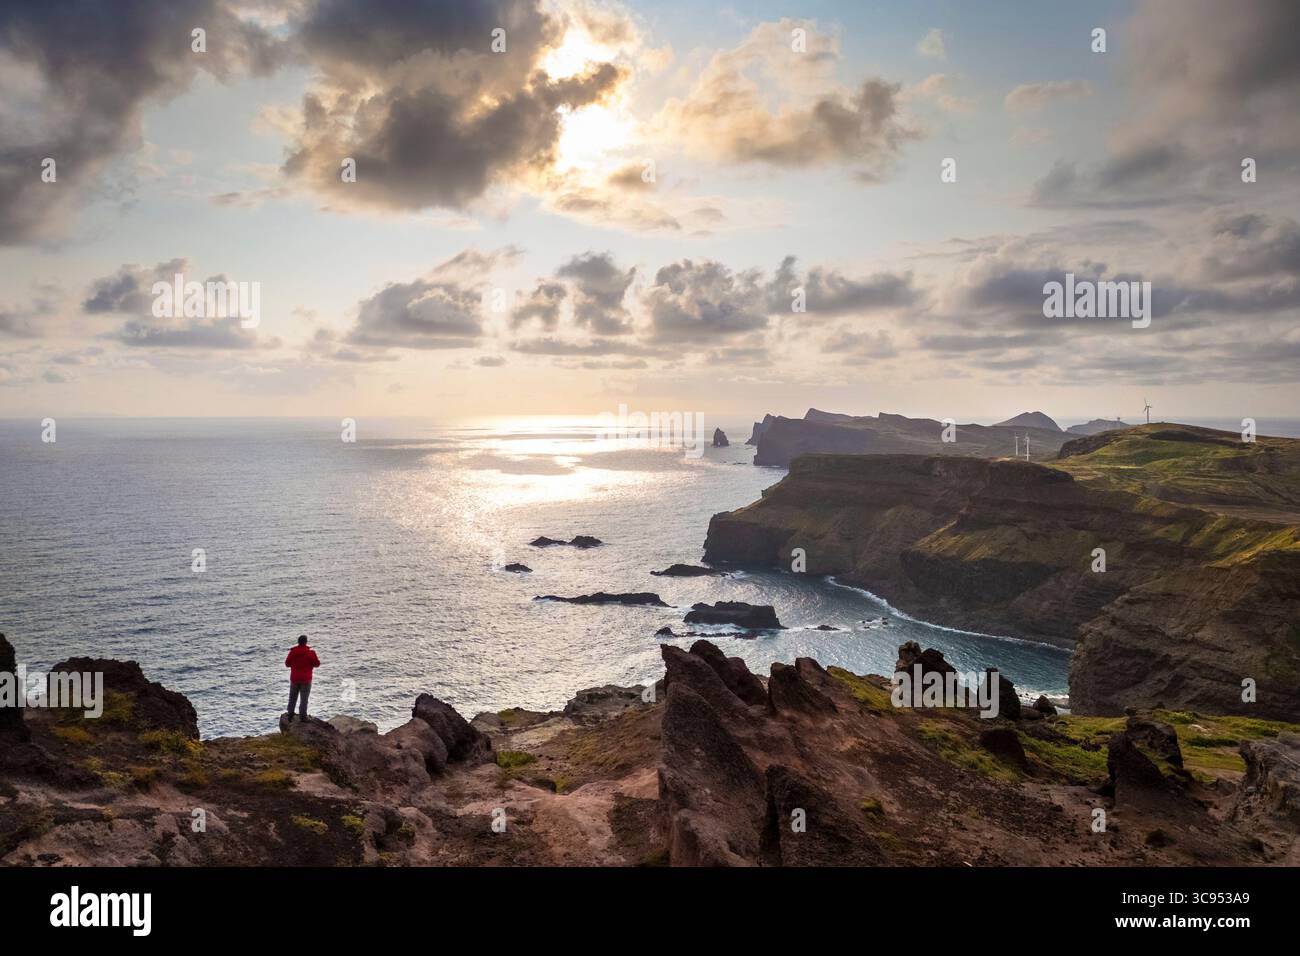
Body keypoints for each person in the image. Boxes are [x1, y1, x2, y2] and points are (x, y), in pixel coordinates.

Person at [284, 635, 320, 721]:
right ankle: (303, 717)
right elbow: (317, 664)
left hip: (294, 678)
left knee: (292, 697)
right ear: (306, 642)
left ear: (298, 642)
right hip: (306, 679)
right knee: (304, 699)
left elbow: (287, 664)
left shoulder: (292, 652)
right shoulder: (310, 653)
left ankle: (290, 714)